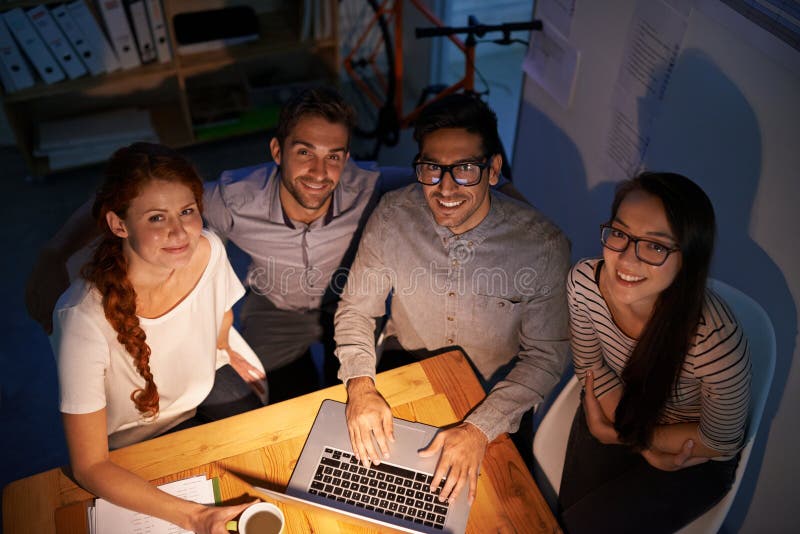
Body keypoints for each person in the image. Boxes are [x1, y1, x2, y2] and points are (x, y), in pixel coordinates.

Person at [334, 93, 570, 506]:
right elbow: (356, 309)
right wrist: (360, 384)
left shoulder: (543, 246)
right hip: (405, 375)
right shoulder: (392, 215)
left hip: (493, 397)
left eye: (464, 169)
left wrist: (479, 429)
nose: (445, 188)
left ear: (492, 170)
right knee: (361, 495)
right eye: (432, 168)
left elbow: (547, 357)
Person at [51, 143, 263, 532]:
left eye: (187, 211)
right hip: (139, 433)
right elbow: (89, 465)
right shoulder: (81, 317)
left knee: (266, 453)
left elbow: (222, 310)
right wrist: (196, 517)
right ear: (119, 225)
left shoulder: (209, 250)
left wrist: (223, 347)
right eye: (156, 218)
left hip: (200, 388)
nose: (179, 232)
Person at [559, 172, 751, 533]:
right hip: (624, 409)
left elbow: (719, 442)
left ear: (688, 258)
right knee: (560, 523)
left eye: (655, 246)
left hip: (691, 453)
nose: (627, 260)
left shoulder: (714, 342)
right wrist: (638, 441)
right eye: (620, 234)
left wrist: (629, 438)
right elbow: (591, 368)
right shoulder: (584, 283)